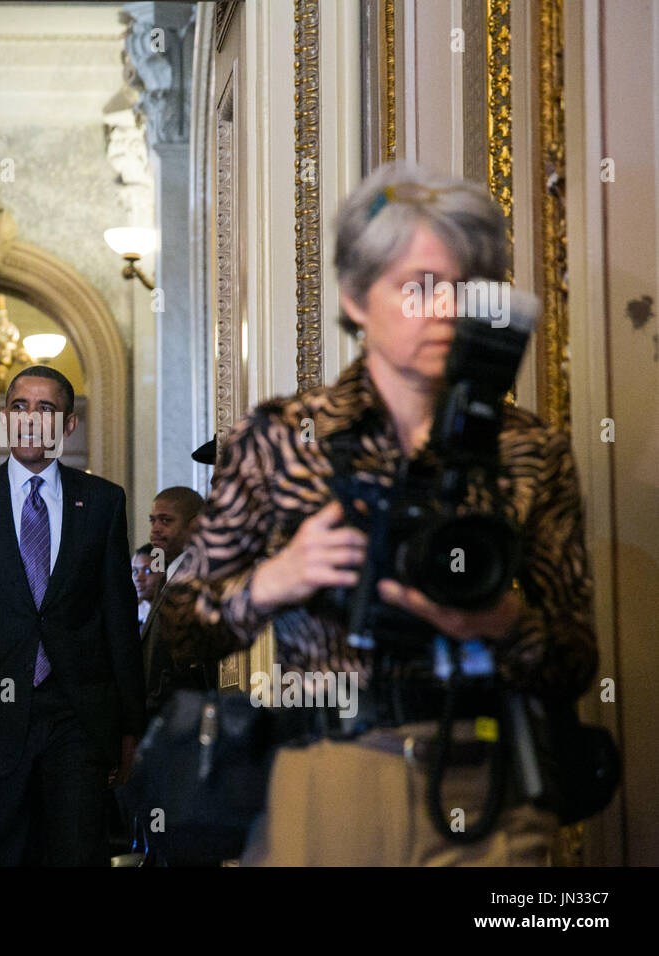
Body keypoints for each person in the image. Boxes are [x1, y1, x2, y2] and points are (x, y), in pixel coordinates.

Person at [161, 161, 598, 866]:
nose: (442, 312)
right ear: (357, 298)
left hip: (490, 777)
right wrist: (277, 579)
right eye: (416, 287)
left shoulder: (530, 449)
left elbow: (578, 660)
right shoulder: (280, 439)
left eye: (463, 291)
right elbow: (179, 632)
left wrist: (505, 625)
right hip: (333, 770)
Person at [0, 365, 144, 866]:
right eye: (20, 406)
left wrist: (129, 730)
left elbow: (119, 622)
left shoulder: (103, 502)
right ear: (4, 419)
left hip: (76, 720)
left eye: (46, 408)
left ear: (68, 426)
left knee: (78, 857)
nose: (31, 419)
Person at [141, 487, 209, 718]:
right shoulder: (168, 576)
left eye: (166, 521)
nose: (156, 530)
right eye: (153, 521)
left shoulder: (198, 578)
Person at [131, 543, 163, 629]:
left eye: (148, 571)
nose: (138, 578)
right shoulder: (135, 613)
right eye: (134, 571)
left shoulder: (175, 614)